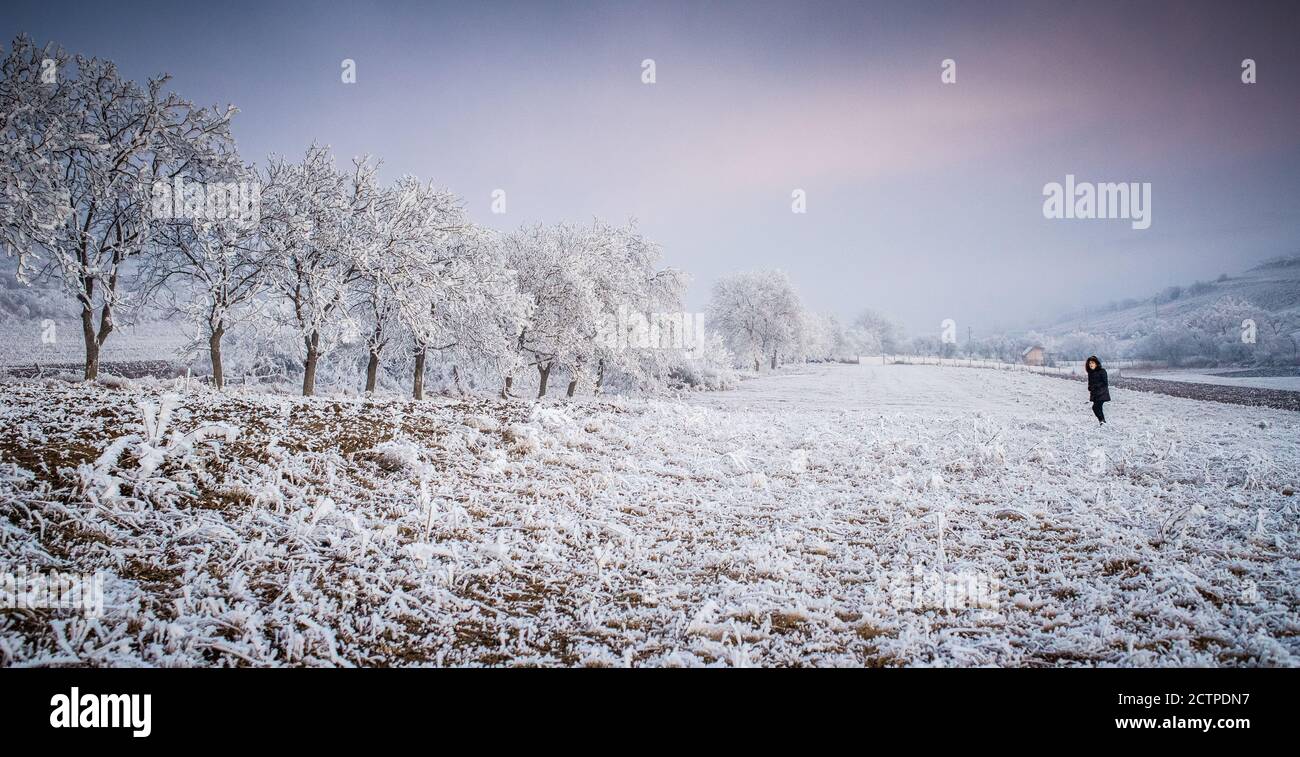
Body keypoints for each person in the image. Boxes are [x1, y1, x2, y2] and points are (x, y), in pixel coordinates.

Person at [1085, 355, 1110, 424]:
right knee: (1098, 408)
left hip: (1102, 393)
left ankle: (1102, 421)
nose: (1091, 364)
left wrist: (1095, 386)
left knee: (1095, 407)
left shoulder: (1102, 371)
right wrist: (1089, 387)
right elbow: (1090, 383)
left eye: (1092, 363)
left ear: (1096, 363)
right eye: (1089, 363)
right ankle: (1102, 422)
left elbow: (1105, 383)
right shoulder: (1090, 373)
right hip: (1095, 394)